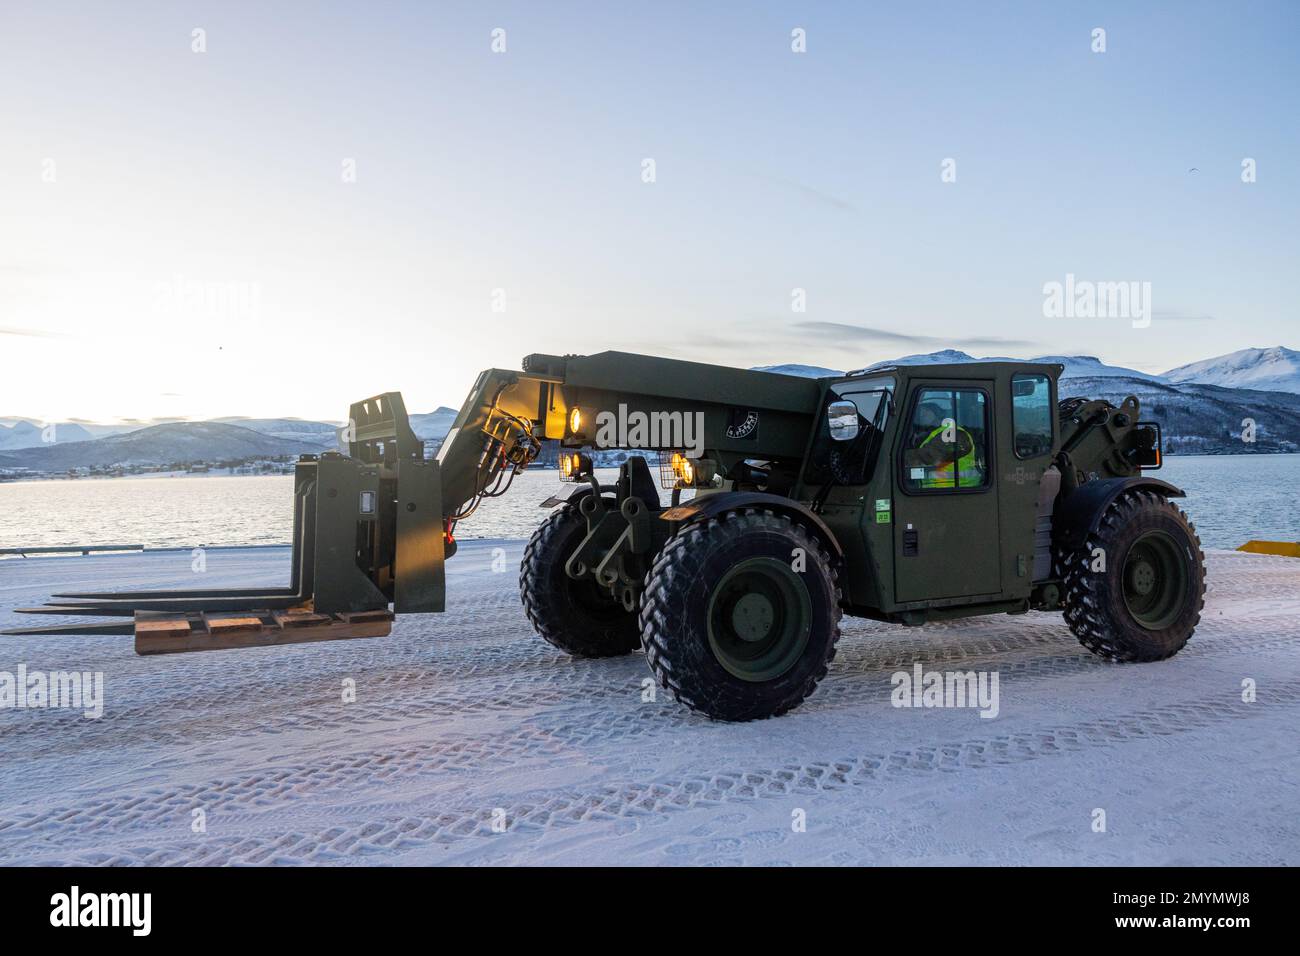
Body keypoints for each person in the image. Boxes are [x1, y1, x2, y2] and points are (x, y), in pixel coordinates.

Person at [904, 400, 984, 488]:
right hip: (939, 490)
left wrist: (898, 458)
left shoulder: (952, 434)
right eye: (921, 410)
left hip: (958, 491)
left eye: (927, 410)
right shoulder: (930, 433)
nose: (922, 414)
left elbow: (928, 457)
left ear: (938, 412)